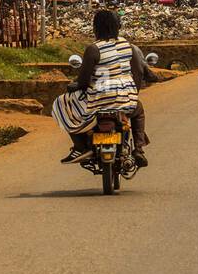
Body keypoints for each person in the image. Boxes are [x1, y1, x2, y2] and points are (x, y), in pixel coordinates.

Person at [53, 10, 143, 164]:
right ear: (117, 26)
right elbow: (139, 72)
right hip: (127, 99)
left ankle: (79, 146)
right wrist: (133, 92)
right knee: (139, 110)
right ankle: (139, 149)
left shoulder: (94, 49)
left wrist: (74, 86)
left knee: (61, 104)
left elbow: (83, 81)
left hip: (99, 101)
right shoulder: (128, 45)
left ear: (95, 28)